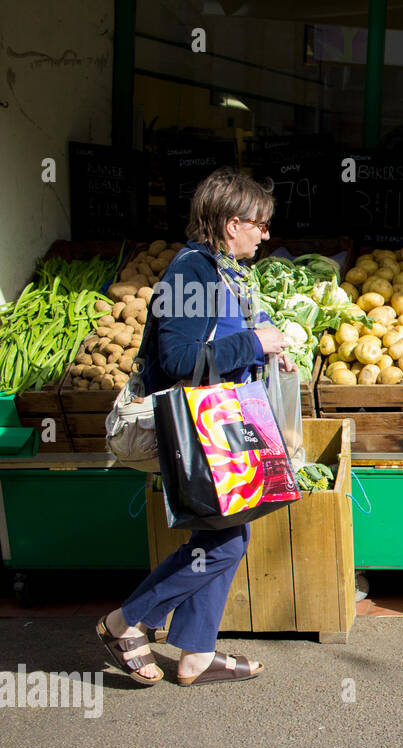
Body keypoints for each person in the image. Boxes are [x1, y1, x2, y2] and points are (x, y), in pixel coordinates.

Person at [97, 168, 293, 686]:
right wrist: (255, 345)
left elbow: (220, 343)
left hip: (217, 424)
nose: (265, 234)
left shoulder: (221, 270)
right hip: (192, 426)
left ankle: (195, 654)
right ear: (232, 224)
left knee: (228, 530)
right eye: (260, 224)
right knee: (226, 538)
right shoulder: (192, 273)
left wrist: (264, 356)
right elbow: (180, 358)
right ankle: (127, 621)